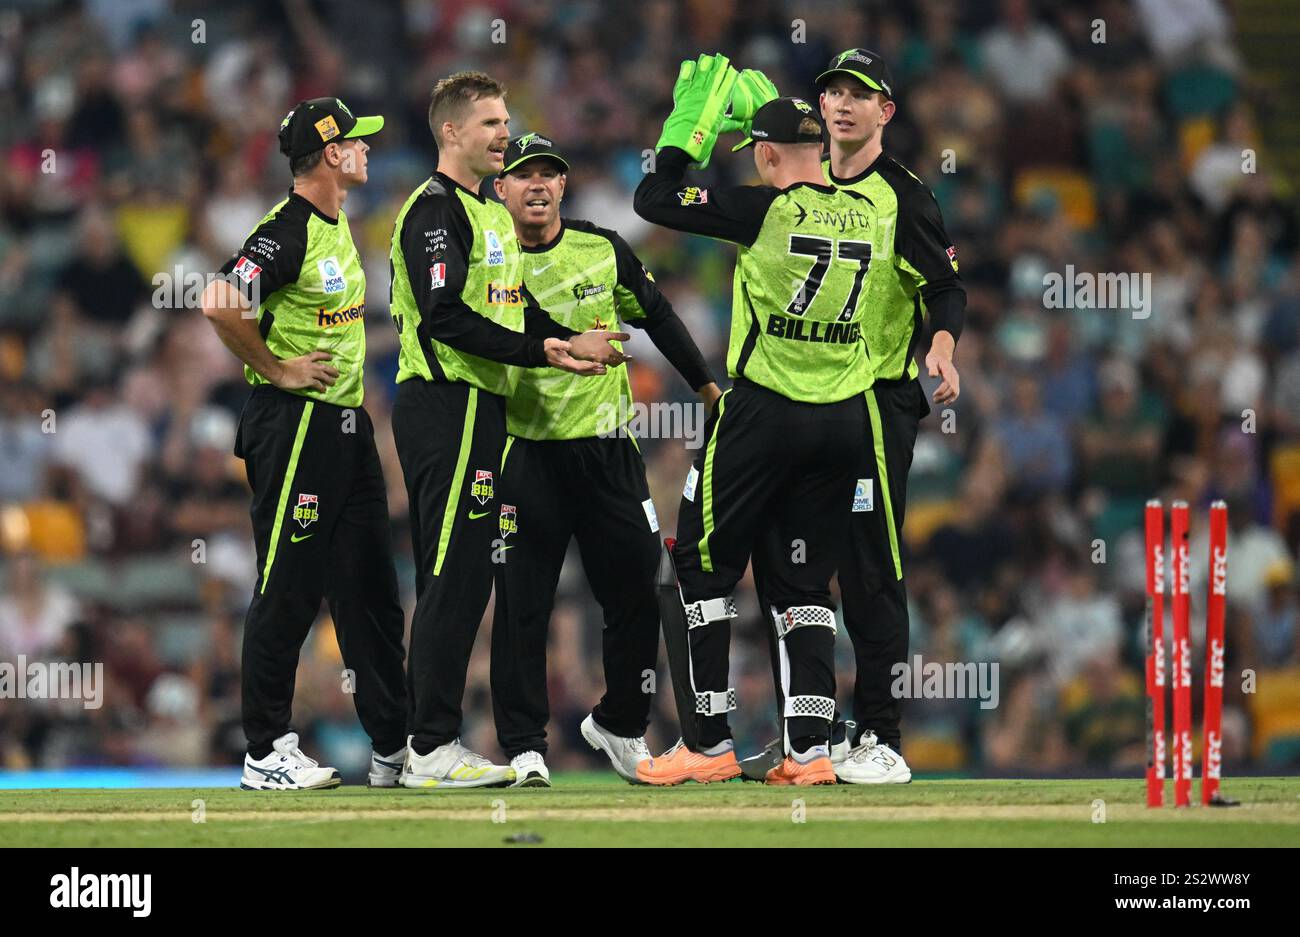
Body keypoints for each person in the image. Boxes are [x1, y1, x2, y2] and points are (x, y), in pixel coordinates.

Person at [633, 55, 881, 786]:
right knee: (804, 585)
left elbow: (654, 197)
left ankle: (708, 742)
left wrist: (687, 130)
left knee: (700, 564)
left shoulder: (764, 208)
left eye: (756, 153)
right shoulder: (868, 211)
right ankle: (811, 751)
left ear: (766, 157)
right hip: (842, 418)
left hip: (764, 412)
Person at [388, 72, 626, 789]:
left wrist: (565, 338)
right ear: (451, 131)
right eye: (491, 122)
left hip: (481, 407)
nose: (504, 134)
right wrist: (540, 351)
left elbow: (511, 308)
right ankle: (429, 746)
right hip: (448, 402)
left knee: (460, 573)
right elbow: (445, 318)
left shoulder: (487, 214)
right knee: (454, 574)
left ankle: (428, 742)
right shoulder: (434, 211)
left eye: (505, 120)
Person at [489, 132, 721, 786]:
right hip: (525, 450)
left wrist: (708, 389)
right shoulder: (490, 258)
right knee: (523, 603)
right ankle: (524, 744)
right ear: (500, 188)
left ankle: (620, 722)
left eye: (549, 173)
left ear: (564, 185)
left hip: (608, 450)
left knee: (640, 588)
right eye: (523, 174)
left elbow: (658, 314)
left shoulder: (603, 249)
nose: (538, 184)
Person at [200, 97, 407, 791]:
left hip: (344, 426)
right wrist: (278, 368)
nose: (367, 149)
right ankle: (265, 751)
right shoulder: (287, 229)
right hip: (295, 424)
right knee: (287, 587)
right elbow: (218, 301)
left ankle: (393, 747)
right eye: (357, 141)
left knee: (371, 591)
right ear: (330, 154)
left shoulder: (334, 220)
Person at [812, 49, 966, 783]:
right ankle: (812, 733)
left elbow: (946, 287)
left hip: (875, 403)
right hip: (802, 403)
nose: (843, 104)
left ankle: (881, 733)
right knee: (797, 569)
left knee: (870, 567)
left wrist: (942, 345)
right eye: (834, 92)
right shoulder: (799, 183)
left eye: (859, 94)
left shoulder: (906, 196)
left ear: (885, 112)